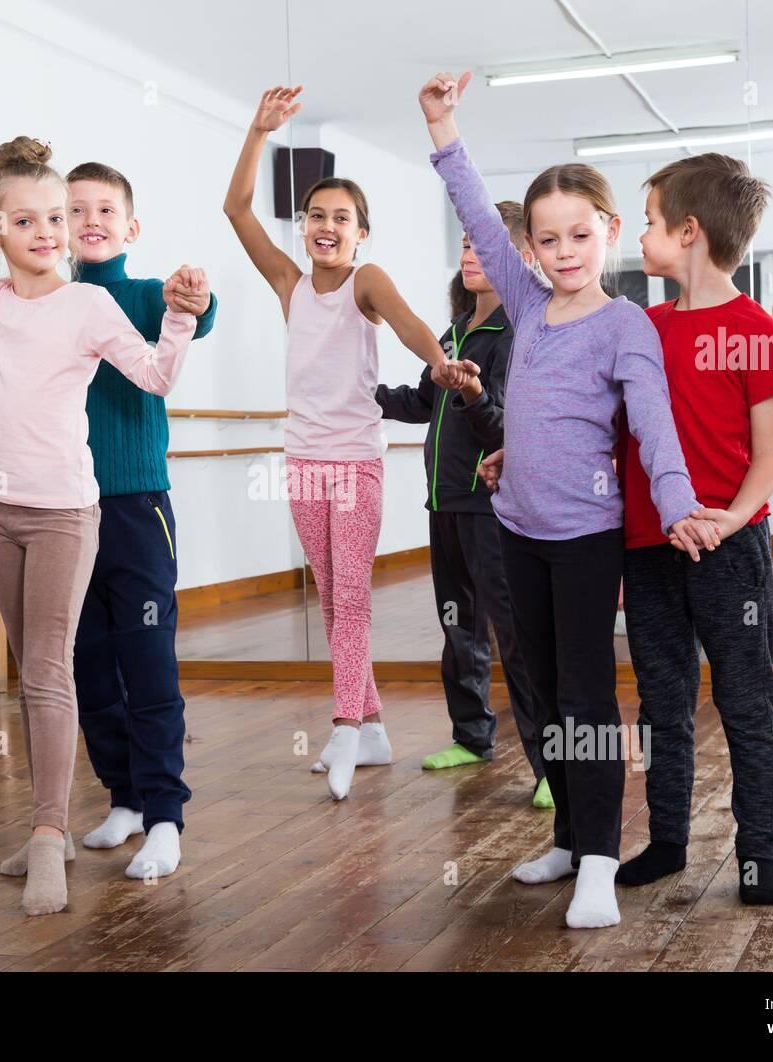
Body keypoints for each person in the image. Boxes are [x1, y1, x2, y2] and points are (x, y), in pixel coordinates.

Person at [422, 71, 716, 929]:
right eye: (547, 240)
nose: (563, 252)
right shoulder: (523, 299)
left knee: (588, 699)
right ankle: (567, 834)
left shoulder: (625, 325)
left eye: (579, 235)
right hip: (517, 528)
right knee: (540, 690)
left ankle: (597, 857)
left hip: (588, 540)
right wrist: (444, 126)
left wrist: (679, 504)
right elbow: (479, 215)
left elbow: (654, 429)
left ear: (610, 232)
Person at [0, 136, 201, 912]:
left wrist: (177, 315)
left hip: (71, 514)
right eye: (27, 220)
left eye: (54, 219)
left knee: (46, 672)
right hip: (1, 511)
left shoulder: (91, 304)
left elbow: (158, 374)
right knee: (49, 668)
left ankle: (47, 835)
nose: (47, 231)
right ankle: (77, 821)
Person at [224, 85, 465, 801]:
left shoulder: (366, 280)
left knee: (352, 597)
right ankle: (375, 728)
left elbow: (413, 323)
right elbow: (237, 209)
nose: (327, 226)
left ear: (361, 234)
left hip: (355, 462)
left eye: (342, 218)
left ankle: (341, 729)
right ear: (303, 227)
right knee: (331, 599)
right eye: (317, 216)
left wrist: (439, 363)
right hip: (303, 464)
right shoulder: (290, 284)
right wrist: (258, 131)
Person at [616, 151, 773, 906]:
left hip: (728, 547)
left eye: (651, 222)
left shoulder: (755, 329)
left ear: (687, 232)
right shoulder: (642, 326)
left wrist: (731, 519)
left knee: (746, 701)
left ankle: (758, 854)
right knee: (662, 701)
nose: (642, 235)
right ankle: (667, 840)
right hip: (649, 548)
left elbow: (769, 454)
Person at [374, 205, 548, 805]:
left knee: (515, 637)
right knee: (458, 626)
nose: (470, 253)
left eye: (485, 244)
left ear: (523, 254)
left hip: (493, 507)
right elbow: (423, 400)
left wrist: (473, 393)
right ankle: (473, 737)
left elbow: (506, 430)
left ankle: (551, 766)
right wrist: (362, 395)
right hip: (444, 502)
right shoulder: (453, 331)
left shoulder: (522, 332)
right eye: (467, 242)